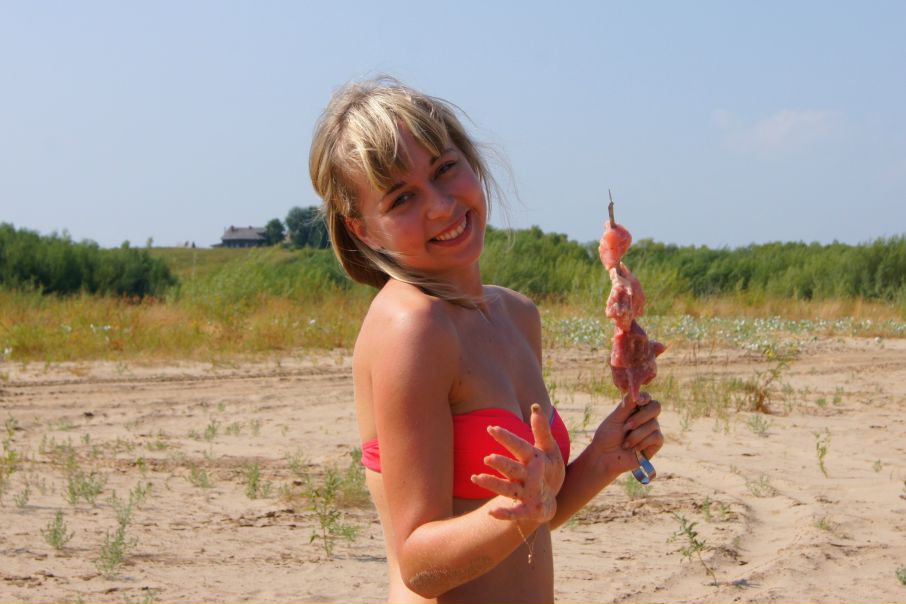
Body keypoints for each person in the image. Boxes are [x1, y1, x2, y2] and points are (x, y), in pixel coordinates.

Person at [309, 77, 664, 604]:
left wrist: (602, 459)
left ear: (470, 161)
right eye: (402, 198)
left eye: (444, 169)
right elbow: (419, 565)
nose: (440, 206)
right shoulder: (414, 328)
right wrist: (520, 510)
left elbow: (532, 521)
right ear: (363, 229)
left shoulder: (516, 315)